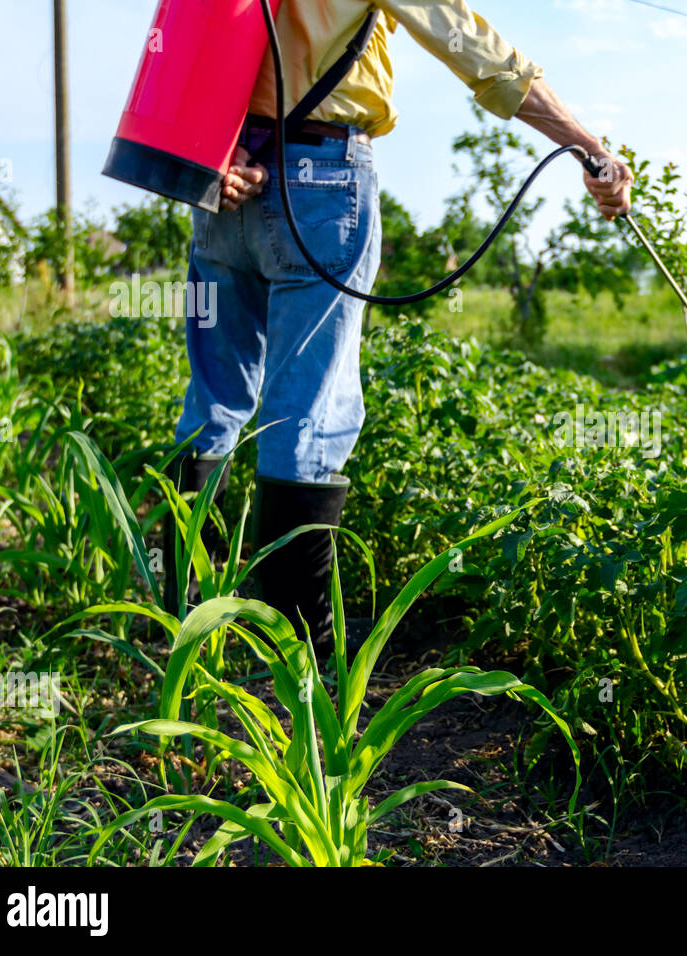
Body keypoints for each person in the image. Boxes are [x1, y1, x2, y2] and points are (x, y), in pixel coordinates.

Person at [165, 0, 633, 656]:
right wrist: (588, 147)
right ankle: (296, 651)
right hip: (321, 183)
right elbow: (476, 50)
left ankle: (176, 620)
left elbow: (186, 40)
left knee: (213, 402)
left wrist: (202, 147)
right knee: (306, 415)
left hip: (224, 174)